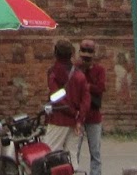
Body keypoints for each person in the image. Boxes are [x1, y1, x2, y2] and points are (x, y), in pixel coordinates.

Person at [44, 40, 88, 155]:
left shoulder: (53, 72)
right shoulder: (79, 75)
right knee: (71, 155)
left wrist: (72, 112)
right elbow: (86, 101)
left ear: (56, 53)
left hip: (58, 119)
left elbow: (56, 97)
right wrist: (79, 119)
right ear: (71, 54)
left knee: (50, 153)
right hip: (75, 121)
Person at [77, 39, 105, 175]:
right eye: (84, 53)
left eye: (89, 53)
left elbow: (100, 88)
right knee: (74, 150)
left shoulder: (99, 70)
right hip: (79, 115)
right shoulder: (76, 69)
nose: (86, 57)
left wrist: (85, 85)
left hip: (93, 114)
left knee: (95, 151)